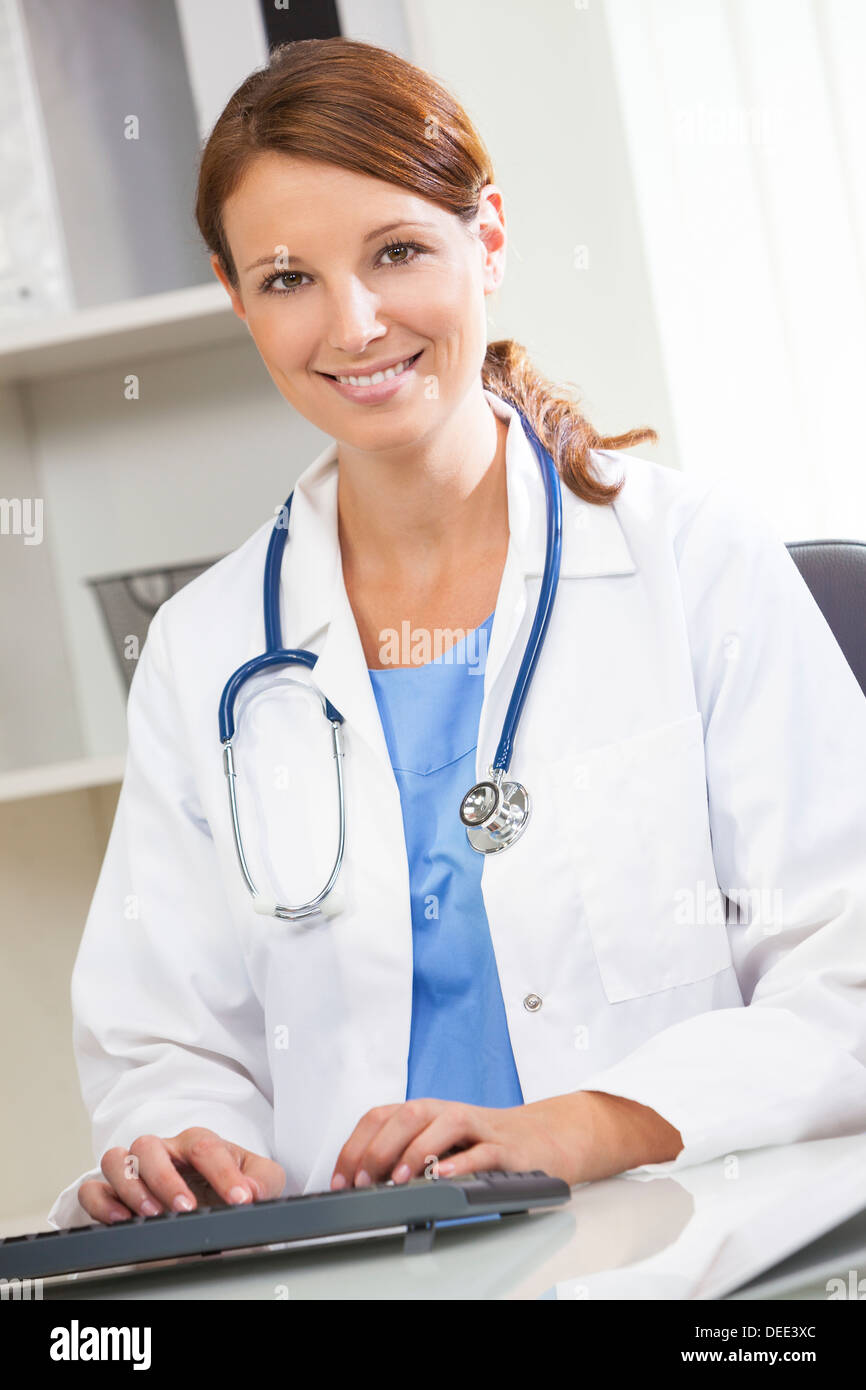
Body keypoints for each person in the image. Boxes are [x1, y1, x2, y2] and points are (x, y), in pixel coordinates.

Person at [49, 38, 866, 1229]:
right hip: (365, 1272)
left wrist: (587, 1122)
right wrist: (188, 1154)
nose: (355, 322)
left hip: (681, 1244)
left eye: (396, 252)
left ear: (486, 238)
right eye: (287, 279)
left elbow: (846, 973)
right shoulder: (204, 648)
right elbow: (164, 1036)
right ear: (235, 296)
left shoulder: (693, 565)